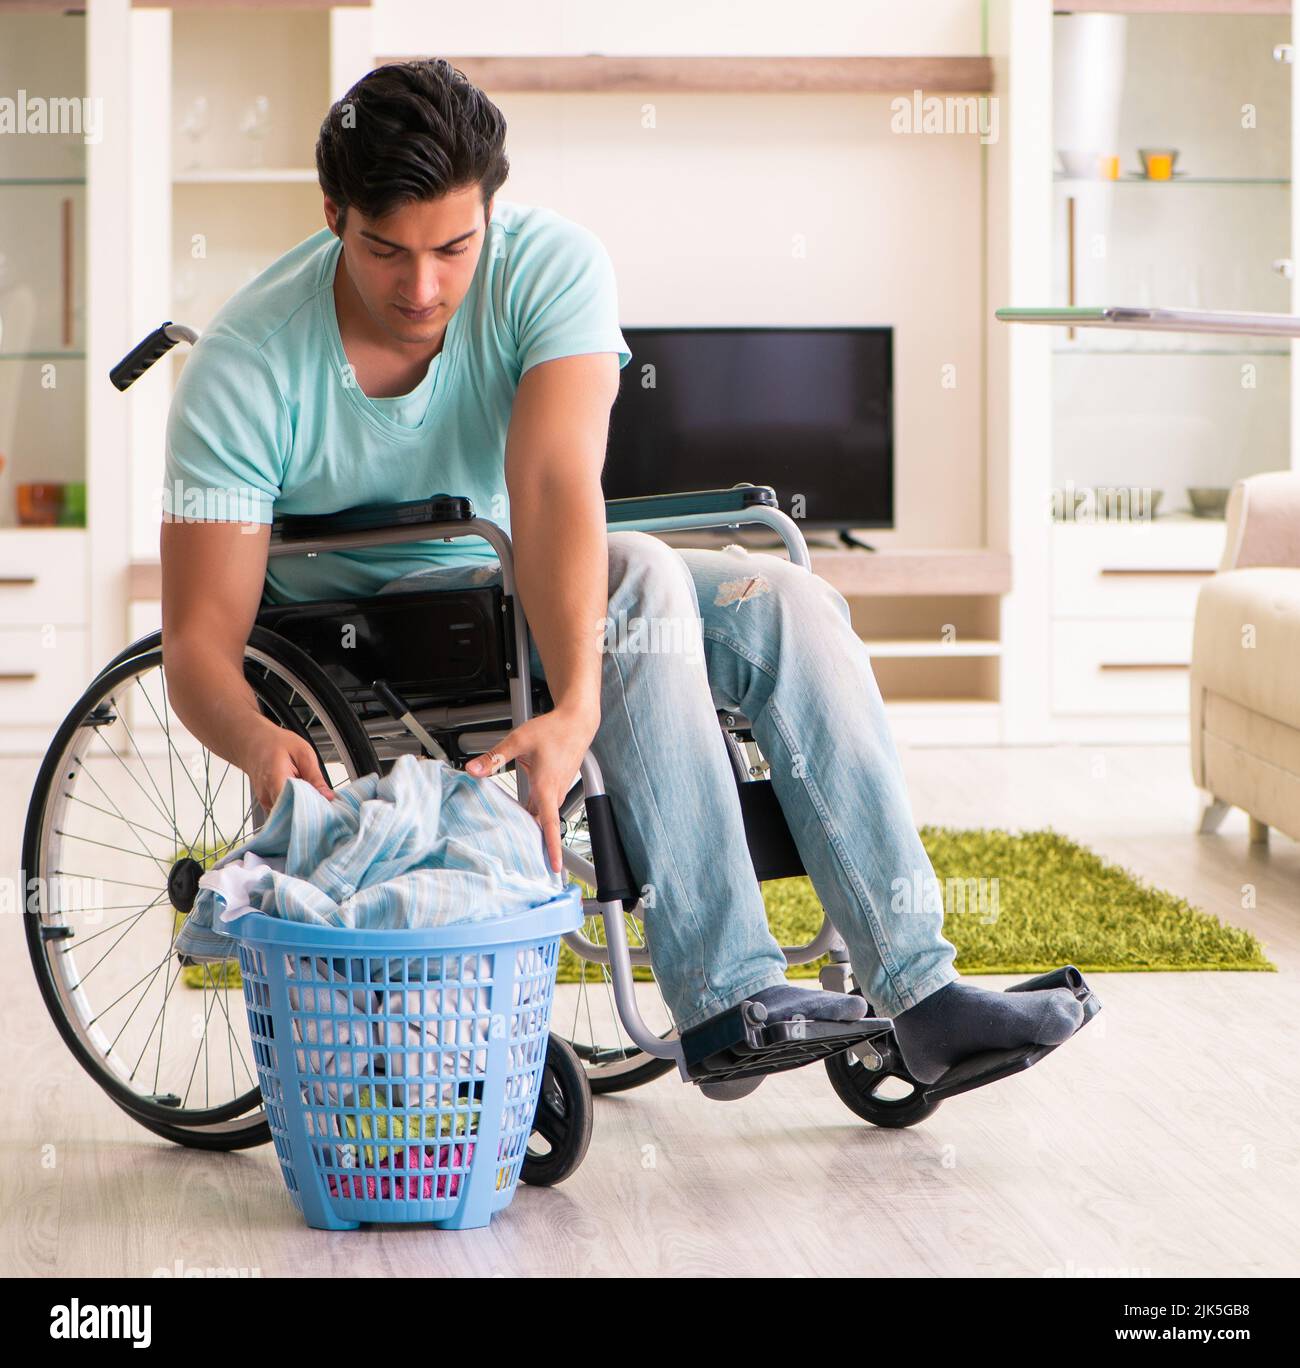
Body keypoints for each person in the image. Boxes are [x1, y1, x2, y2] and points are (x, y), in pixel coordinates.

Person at [161, 59, 1083, 1086]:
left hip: (531, 581)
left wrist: (576, 707)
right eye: (386, 251)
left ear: (492, 214)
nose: (422, 289)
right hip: (374, 623)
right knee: (636, 572)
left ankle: (919, 993)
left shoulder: (552, 267)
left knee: (788, 598)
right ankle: (727, 997)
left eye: (454, 248)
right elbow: (200, 636)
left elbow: (556, 484)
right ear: (332, 212)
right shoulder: (246, 363)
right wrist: (249, 736)